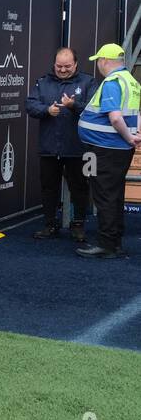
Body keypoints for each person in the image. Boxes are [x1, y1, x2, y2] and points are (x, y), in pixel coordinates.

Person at [75, 43, 141, 259]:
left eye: (99, 62)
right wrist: (134, 135)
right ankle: (114, 241)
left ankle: (107, 245)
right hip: (114, 149)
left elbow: (114, 117)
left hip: (106, 149)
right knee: (113, 194)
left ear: (104, 61)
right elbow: (135, 114)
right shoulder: (131, 81)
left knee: (104, 195)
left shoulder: (112, 82)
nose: (98, 66)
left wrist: (129, 136)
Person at [26, 47, 91, 242]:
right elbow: (30, 104)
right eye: (59, 66)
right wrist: (46, 110)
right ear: (54, 64)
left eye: (67, 66)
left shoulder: (88, 82)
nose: (62, 70)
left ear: (76, 64)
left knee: (79, 187)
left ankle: (78, 225)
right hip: (49, 148)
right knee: (48, 187)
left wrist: (74, 106)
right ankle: (50, 224)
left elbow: (94, 109)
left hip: (78, 148)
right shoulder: (42, 82)